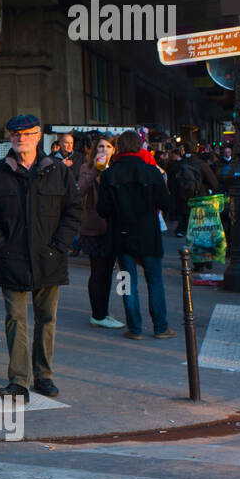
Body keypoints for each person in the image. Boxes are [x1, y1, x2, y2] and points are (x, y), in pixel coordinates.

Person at [0, 115, 81, 400]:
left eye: (28, 134)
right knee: (15, 319)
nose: (21, 139)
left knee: (47, 318)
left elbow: (73, 210)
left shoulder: (57, 170)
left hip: (49, 257)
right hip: (12, 258)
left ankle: (44, 376)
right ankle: (19, 380)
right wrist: (0, 245)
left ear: (38, 137)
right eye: (16, 135)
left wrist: (60, 245)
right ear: (10, 138)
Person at [97, 129, 176, 340]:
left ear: (119, 148)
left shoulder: (109, 174)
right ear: (140, 147)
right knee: (155, 281)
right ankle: (161, 327)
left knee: (127, 282)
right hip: (148, 234)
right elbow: (166, 204)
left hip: (121, 236)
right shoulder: (152, 173)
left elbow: (102, 209)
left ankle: (135, 328)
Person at [78, 135, 126, 330]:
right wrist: (95, 171)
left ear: (114, 150)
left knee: (107, 271)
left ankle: (102, 312)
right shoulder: (86, 168)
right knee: (98, 271)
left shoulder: (116, 168)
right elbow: (79, 190)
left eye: (107, 146)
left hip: (112, 226)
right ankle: (98, 314)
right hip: (94, 226)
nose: (104, 150)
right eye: (100, 146)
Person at [168, 141, 219, 237]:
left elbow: (171, 184)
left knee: (184, 223)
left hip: (182, 201)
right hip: (198, 199)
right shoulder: (201, 164)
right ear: (196, 149)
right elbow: (214, 184)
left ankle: (181, 231)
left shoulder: (177, 165)